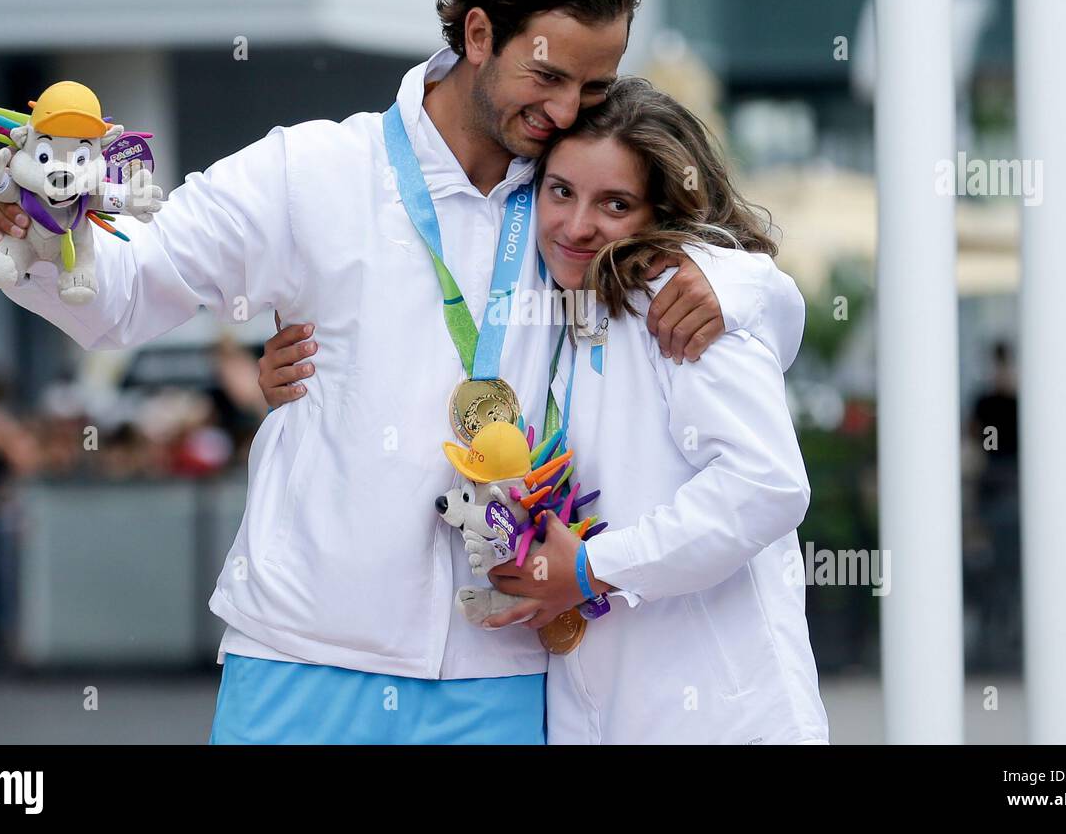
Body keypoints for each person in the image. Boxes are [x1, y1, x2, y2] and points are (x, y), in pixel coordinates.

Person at [0, 0, 775, 743]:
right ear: (478, 33)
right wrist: (41, 239)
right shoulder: (312, 171)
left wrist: (740, 293)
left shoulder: (574, 206)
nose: (566, 108)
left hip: (495, 673)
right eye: (549, 76)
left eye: (593, 86)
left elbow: (727, 258)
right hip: (301, 658)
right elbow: (130, 293)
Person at [263, 78, 829, 743]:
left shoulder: (682, 301)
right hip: (596, 711)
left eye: (615, 204)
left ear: (662, 211)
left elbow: (767, 486)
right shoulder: (560, 305)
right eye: (561, 192)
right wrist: (304, 366)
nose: (578, 225)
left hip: (727, 717)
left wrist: (595, 569)